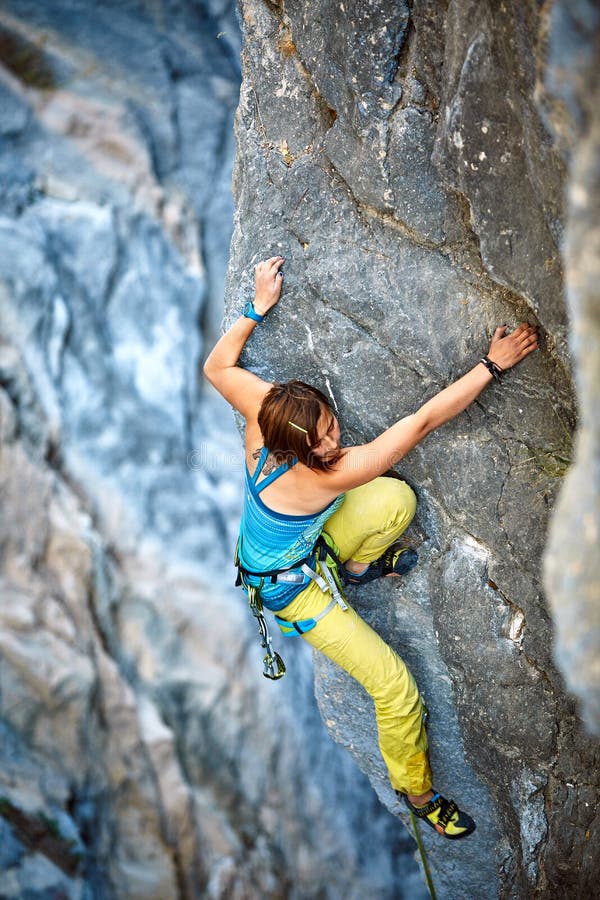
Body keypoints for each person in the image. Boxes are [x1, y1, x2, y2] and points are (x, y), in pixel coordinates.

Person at [203, 255, 539, 840]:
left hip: (295, 543)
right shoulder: (332, 471)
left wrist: (258, 306)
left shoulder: (264, 414)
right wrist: (491, 364)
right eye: (329, 436)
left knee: (393, 502)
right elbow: (423, 421)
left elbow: (216, 366)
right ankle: (419, 793)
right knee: (394, 687)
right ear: (306, 451)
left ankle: (355, 566)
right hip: (292, 591)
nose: (338, 439)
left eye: (331, 425)